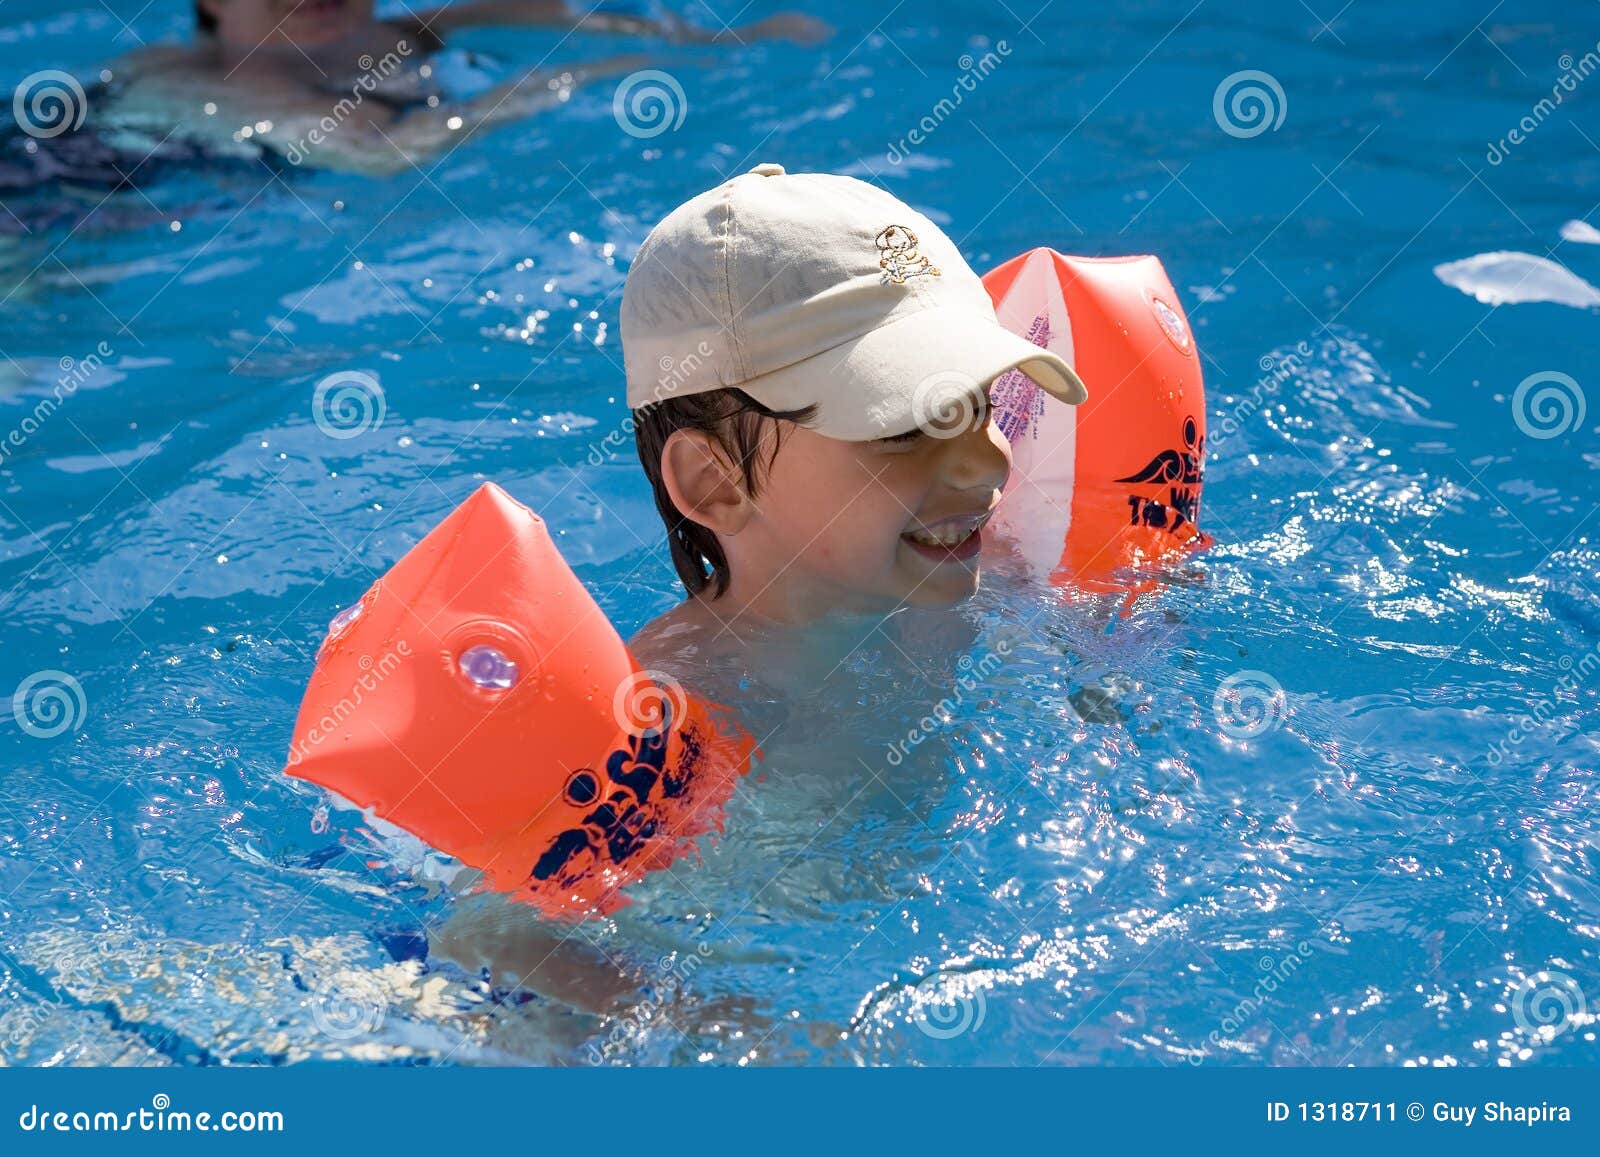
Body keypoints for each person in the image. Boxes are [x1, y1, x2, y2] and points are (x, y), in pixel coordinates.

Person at [621, 162, 1088, 701]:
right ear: (716, 483)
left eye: (980, 407)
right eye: (905, 428)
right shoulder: (667, 708)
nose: (988, 464)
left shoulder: (997, 580)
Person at [3, 2, 828, 186]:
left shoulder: (395, 32)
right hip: (59, 196)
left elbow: (525, 8)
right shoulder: (198, 80)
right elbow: (378, 154)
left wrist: (713, 42)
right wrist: (584, 80)